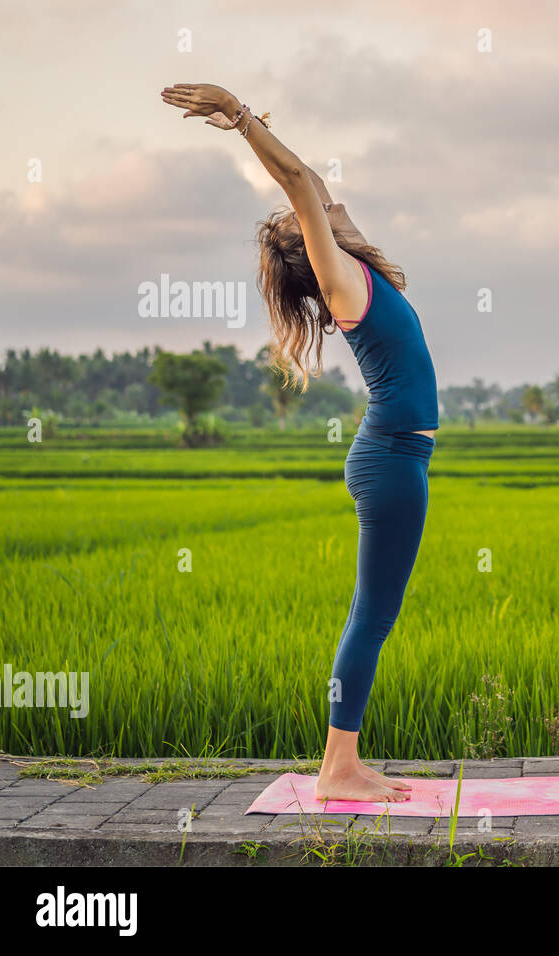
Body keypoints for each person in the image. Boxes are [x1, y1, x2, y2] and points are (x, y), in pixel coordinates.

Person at [160, 83, 439, 803]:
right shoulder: (343, 281)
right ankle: (337, 767)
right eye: (307, 211)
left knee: (374, 613)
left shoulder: (359, 271)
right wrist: (241, 116)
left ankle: (344, 761)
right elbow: (296, 182)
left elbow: (307, 180)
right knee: (372, 615)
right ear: (313, 241)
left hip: (397, 455)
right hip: (391, 459)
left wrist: (253, 124)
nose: (321, 195)